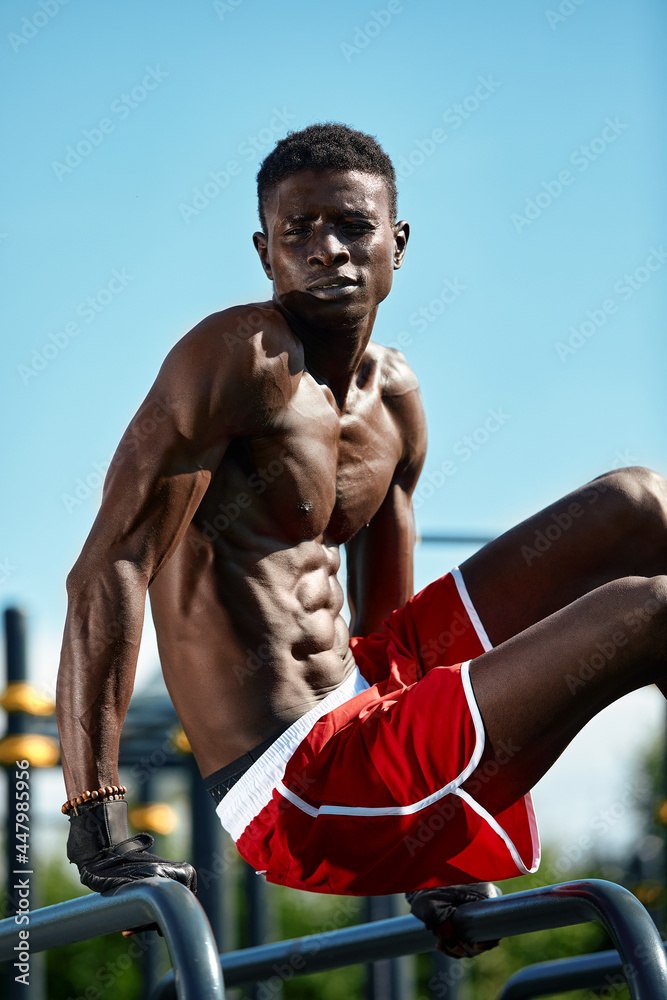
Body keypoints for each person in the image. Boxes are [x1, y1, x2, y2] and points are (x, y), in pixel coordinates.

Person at [56, 123, 667, 952]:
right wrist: (96, 819)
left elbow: (393, 636)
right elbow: (110, 565)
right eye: (297, 232)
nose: (326, 250)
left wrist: (438, 857)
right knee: (647, 611)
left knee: (638, 501)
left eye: (351, 226)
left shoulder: (393, 396)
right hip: (295, 790)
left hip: (370, 708)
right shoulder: (237, 358)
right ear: (265, 252)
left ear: (397, 244)